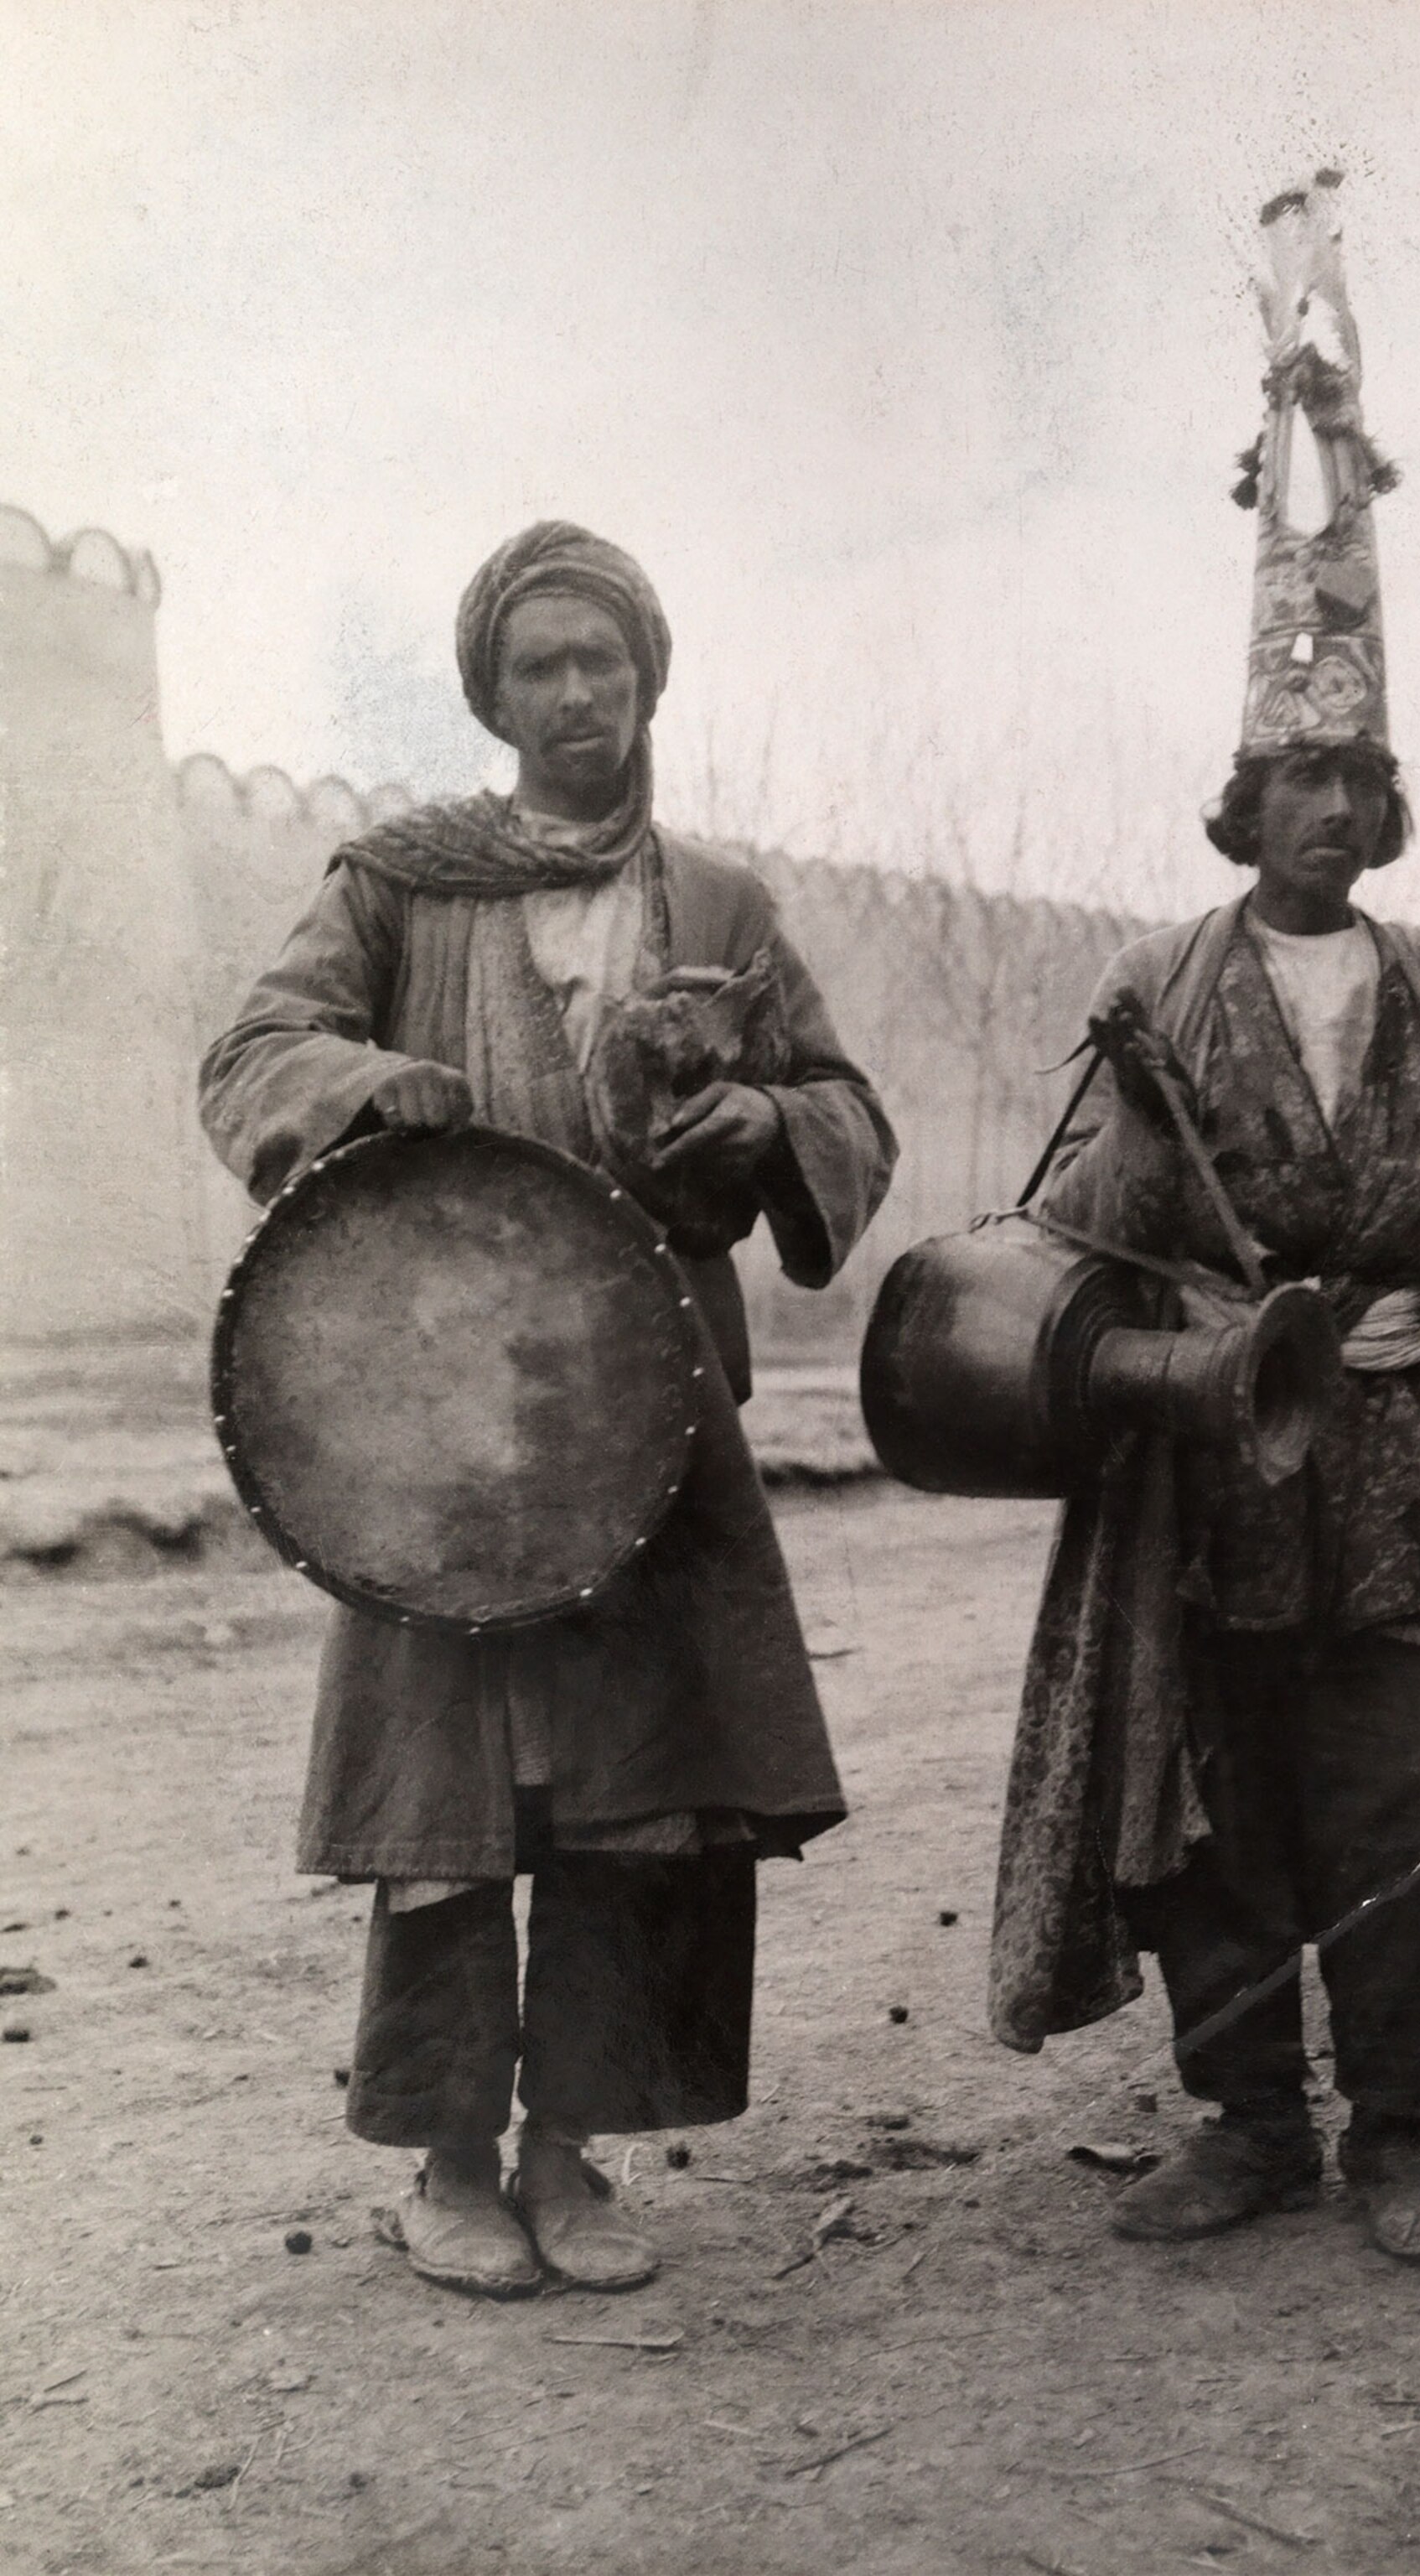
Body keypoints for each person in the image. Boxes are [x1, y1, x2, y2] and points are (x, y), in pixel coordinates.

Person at [984, 183, 1420, 2269]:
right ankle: (1249, 2123)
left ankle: (1403, 2132)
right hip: (1209, 1476)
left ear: (1390, 805)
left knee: (1405, 1796)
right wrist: (1171, 1322)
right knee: (1212, 1795)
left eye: (1358, 775)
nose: (1328, 805)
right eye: (1295, 774)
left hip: (1409, 1465)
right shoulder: (1160, 988)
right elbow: (1075, 1233)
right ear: (1241, 801)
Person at [201, 522, 896, 2298]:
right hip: (440, 1422)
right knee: (450, 1798)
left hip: (653, 1415)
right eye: (541, 666)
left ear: (650, 679)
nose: (577, 692)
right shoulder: (399, 886)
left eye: (605, 660)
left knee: (635, 1795)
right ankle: (447, 2167)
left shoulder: (723, 910)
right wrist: (372, 1086)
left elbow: (845, 1107)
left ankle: (573, 2155)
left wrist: (773, 1125)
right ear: (492, 698)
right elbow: (254, 1054)